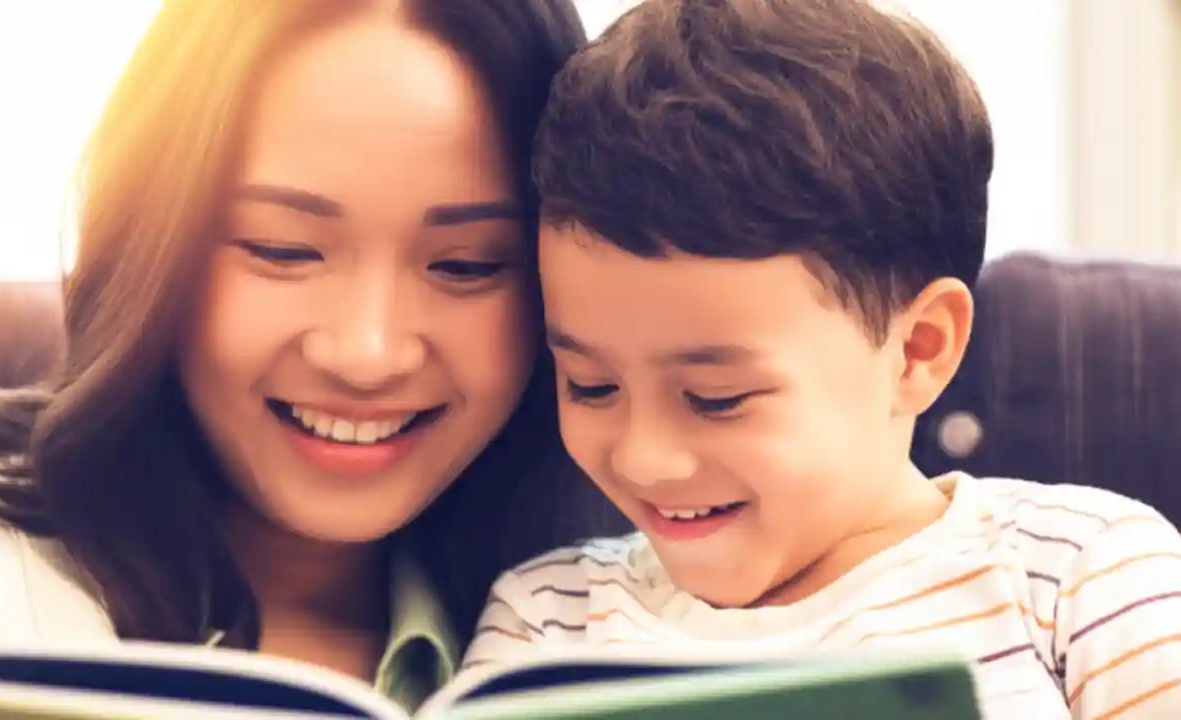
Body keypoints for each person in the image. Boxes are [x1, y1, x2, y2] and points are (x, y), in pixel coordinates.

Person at [463, 1, 1181, 717]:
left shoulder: (1081, 578)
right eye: (591, 386)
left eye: (716, 397)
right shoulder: (548, 622)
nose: (646, 458)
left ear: (918, 351)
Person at [0, 0, 614, 711]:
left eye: (465, 265)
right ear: (150, 239)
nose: (367, 354)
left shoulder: (619, 620)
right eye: (283, 250)